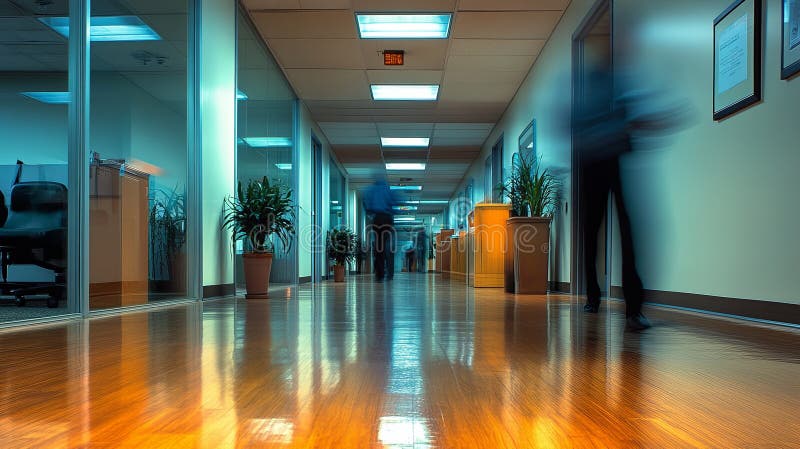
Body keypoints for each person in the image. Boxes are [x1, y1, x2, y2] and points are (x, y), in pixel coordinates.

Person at [575, 65, 685, 331]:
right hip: (593, 165)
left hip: (618, 161)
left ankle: (633, 308)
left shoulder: (622, 90)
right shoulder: (587, 100)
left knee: (624, 232)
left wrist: (657, 121)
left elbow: (637, 120)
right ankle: (596, 298)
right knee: (594, 233)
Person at [364, 178, 398, 281]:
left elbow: (366, 202)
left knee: (379, 247)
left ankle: (380, 274)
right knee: (388, 246)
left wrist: (370, 212)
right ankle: (390, 273)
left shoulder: (371, 190)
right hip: (387, 219)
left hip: (377, 219)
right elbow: (395, 202)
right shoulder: (389, 190)